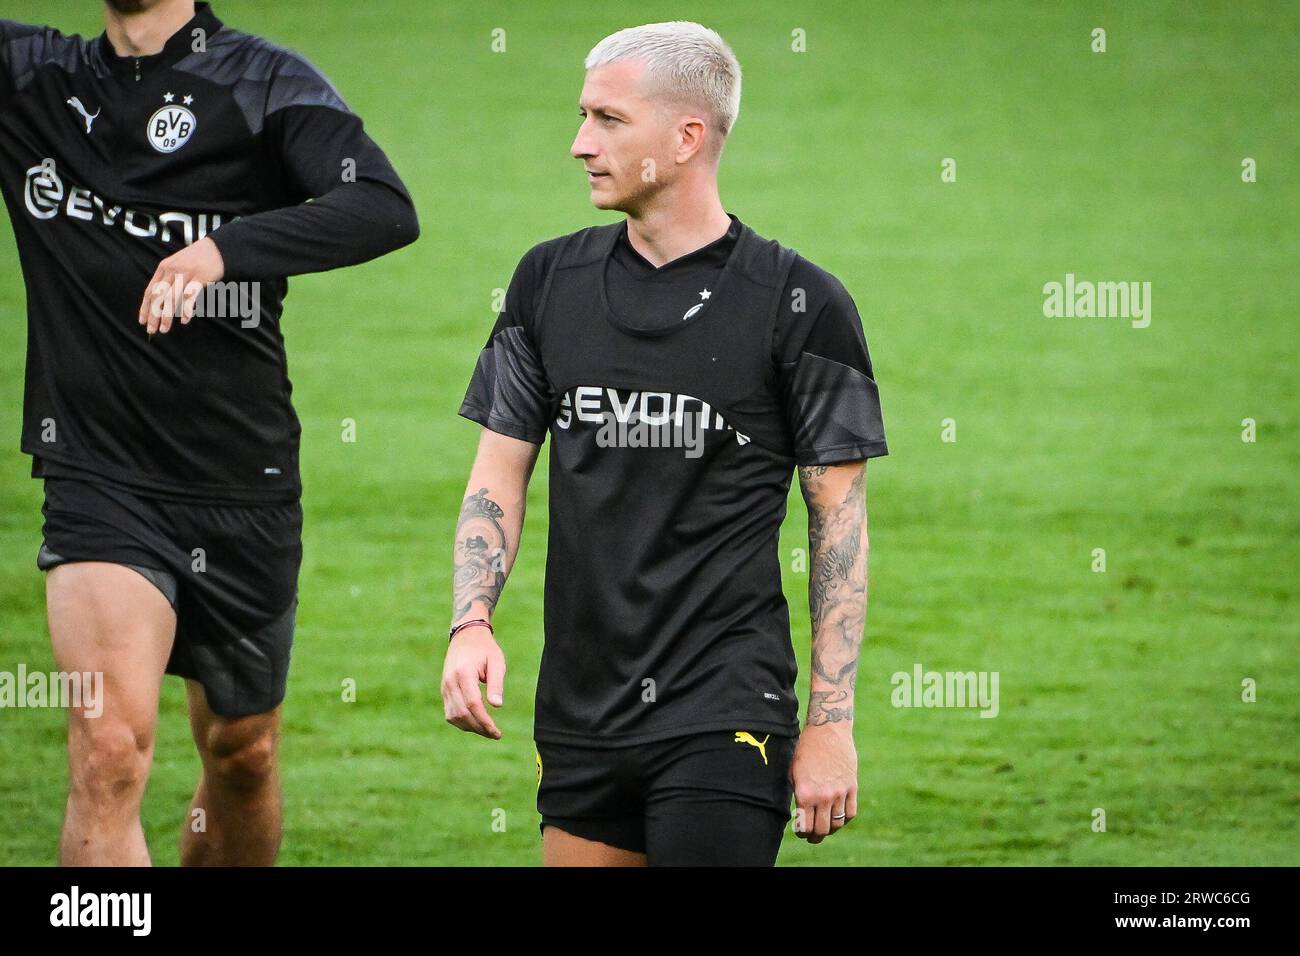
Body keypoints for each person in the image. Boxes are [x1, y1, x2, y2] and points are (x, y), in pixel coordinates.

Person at [444, 21, 887, 866]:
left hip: (725, 706)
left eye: (608, 120)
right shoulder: (545, 282)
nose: (580, 144)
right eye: (583, 117)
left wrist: (830, 726)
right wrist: (471, 623)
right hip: (580, 707)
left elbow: (839, 525)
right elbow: (498, 471)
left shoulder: (801, 304)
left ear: (687, 138)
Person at [0, 0, 419, 865]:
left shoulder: (264, 83)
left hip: (241, 480)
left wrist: (225, 249)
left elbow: (381, 206)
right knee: (108, 752)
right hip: (96, 472)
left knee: (242, 752)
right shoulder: (32, 77)